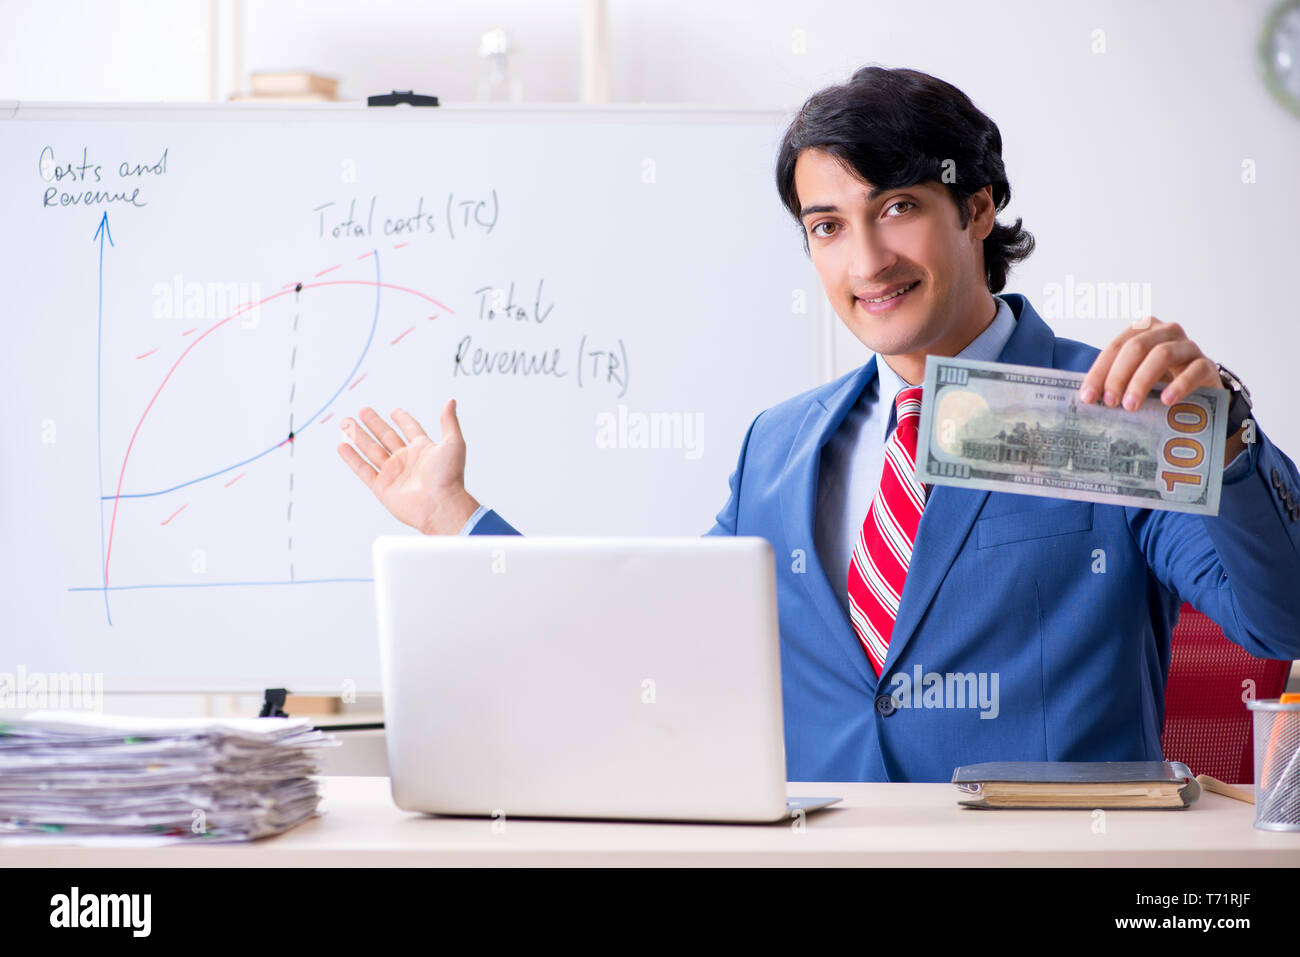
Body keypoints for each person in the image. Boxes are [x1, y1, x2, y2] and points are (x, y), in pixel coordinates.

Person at [337, 66, 1300, 782]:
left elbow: (1281, 619)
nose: (867, 259)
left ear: (978, 207)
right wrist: (460, 520)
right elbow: (657, 646)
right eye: (828, 225)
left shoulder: (1118, 407)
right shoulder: (779, 446)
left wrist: (1227, 438)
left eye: (899, 208)